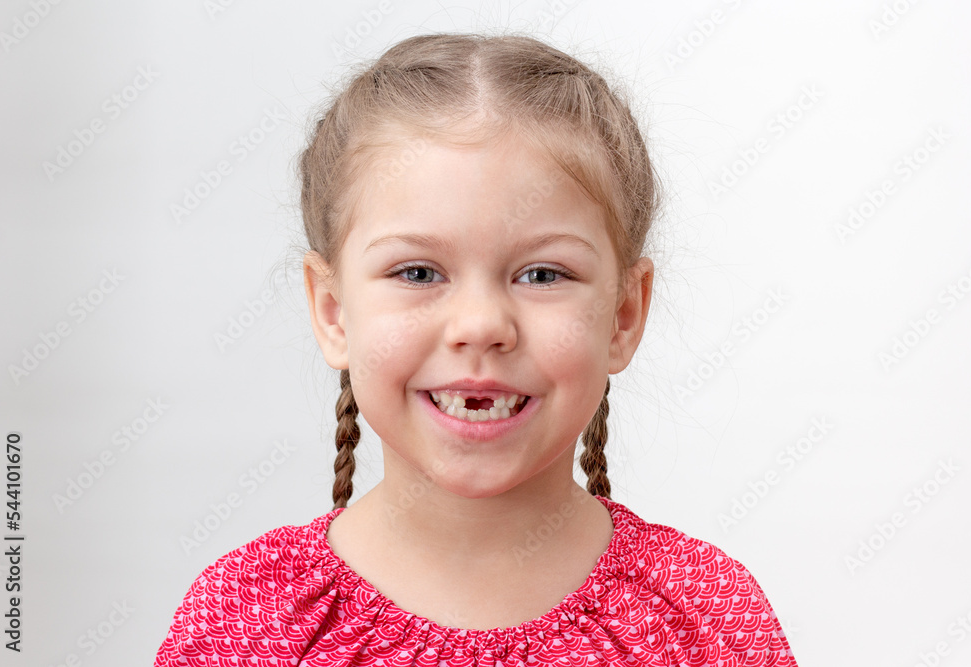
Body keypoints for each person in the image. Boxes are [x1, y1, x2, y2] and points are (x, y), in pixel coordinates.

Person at [154, 31, 799, 666]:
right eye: (418, 273)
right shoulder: (245, 622)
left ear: (624, 314)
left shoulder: (705, 620)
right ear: (333, 311)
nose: (481, 325)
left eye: (543, 274)